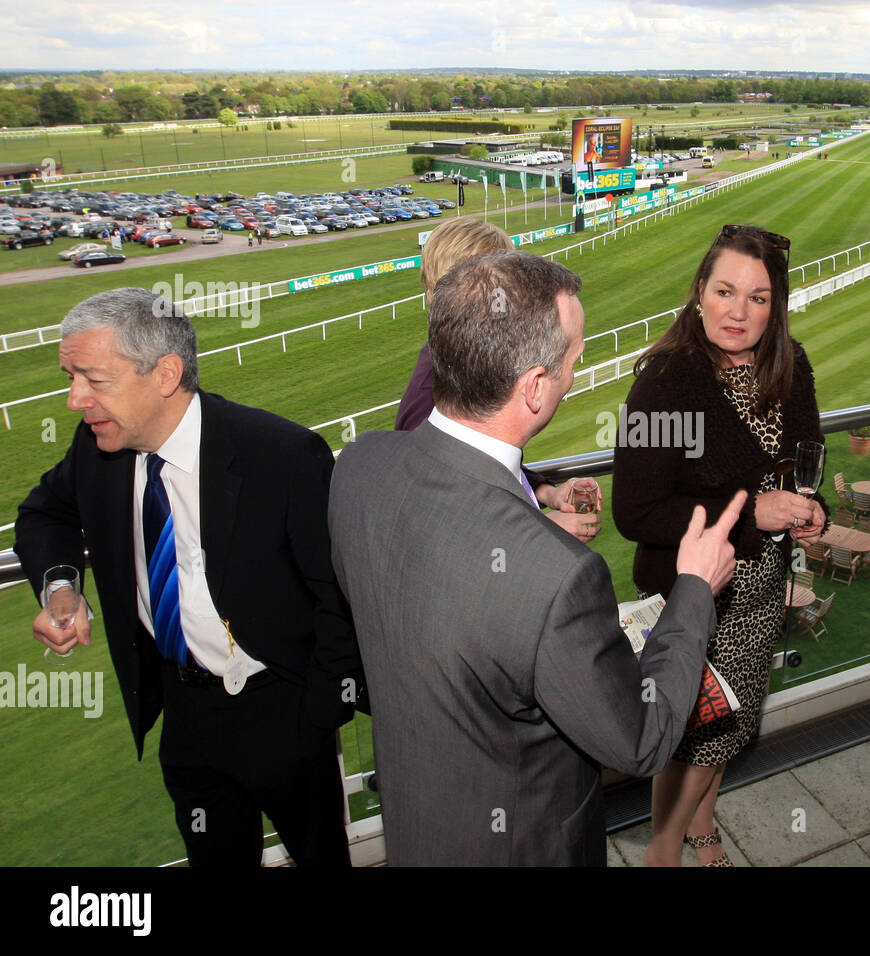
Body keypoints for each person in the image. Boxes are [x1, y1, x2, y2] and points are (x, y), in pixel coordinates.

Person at [328, 251, 745, 866]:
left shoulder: (359, 466)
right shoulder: (557, 575)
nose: (575, 374)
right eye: (573, 360)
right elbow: (639, 741)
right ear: (533, 387)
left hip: (416, 824)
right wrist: (692, 587)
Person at [15, 288, 365, 866]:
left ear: (165, 374)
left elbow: (339, 600)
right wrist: (61, 590)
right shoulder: (98, 447)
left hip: (284, 715)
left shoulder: (281, 455)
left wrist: (316, 717)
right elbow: (43, 512)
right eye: (69, 377)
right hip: (186, 721)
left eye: (92, 379)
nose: (75, 400)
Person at [613, 223, 826, 866]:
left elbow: (802, 461)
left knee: (728, 731)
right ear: (699, 291)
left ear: (776, 306)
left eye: (758, 298)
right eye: (726, 291)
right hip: (695, 598)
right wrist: (750, 516)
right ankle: (663, 850)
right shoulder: (665, 382)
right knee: (690, 741)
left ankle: (701, 829)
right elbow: (636, 511)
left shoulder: (792, 365)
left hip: (763, 591)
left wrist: (809, 510)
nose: (739, 311)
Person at [393, 218, 600, 542]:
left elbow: (493, 463)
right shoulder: (427, 402)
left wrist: (546, 493)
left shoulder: (465, 364)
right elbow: (448, 528)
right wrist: (548, 533)